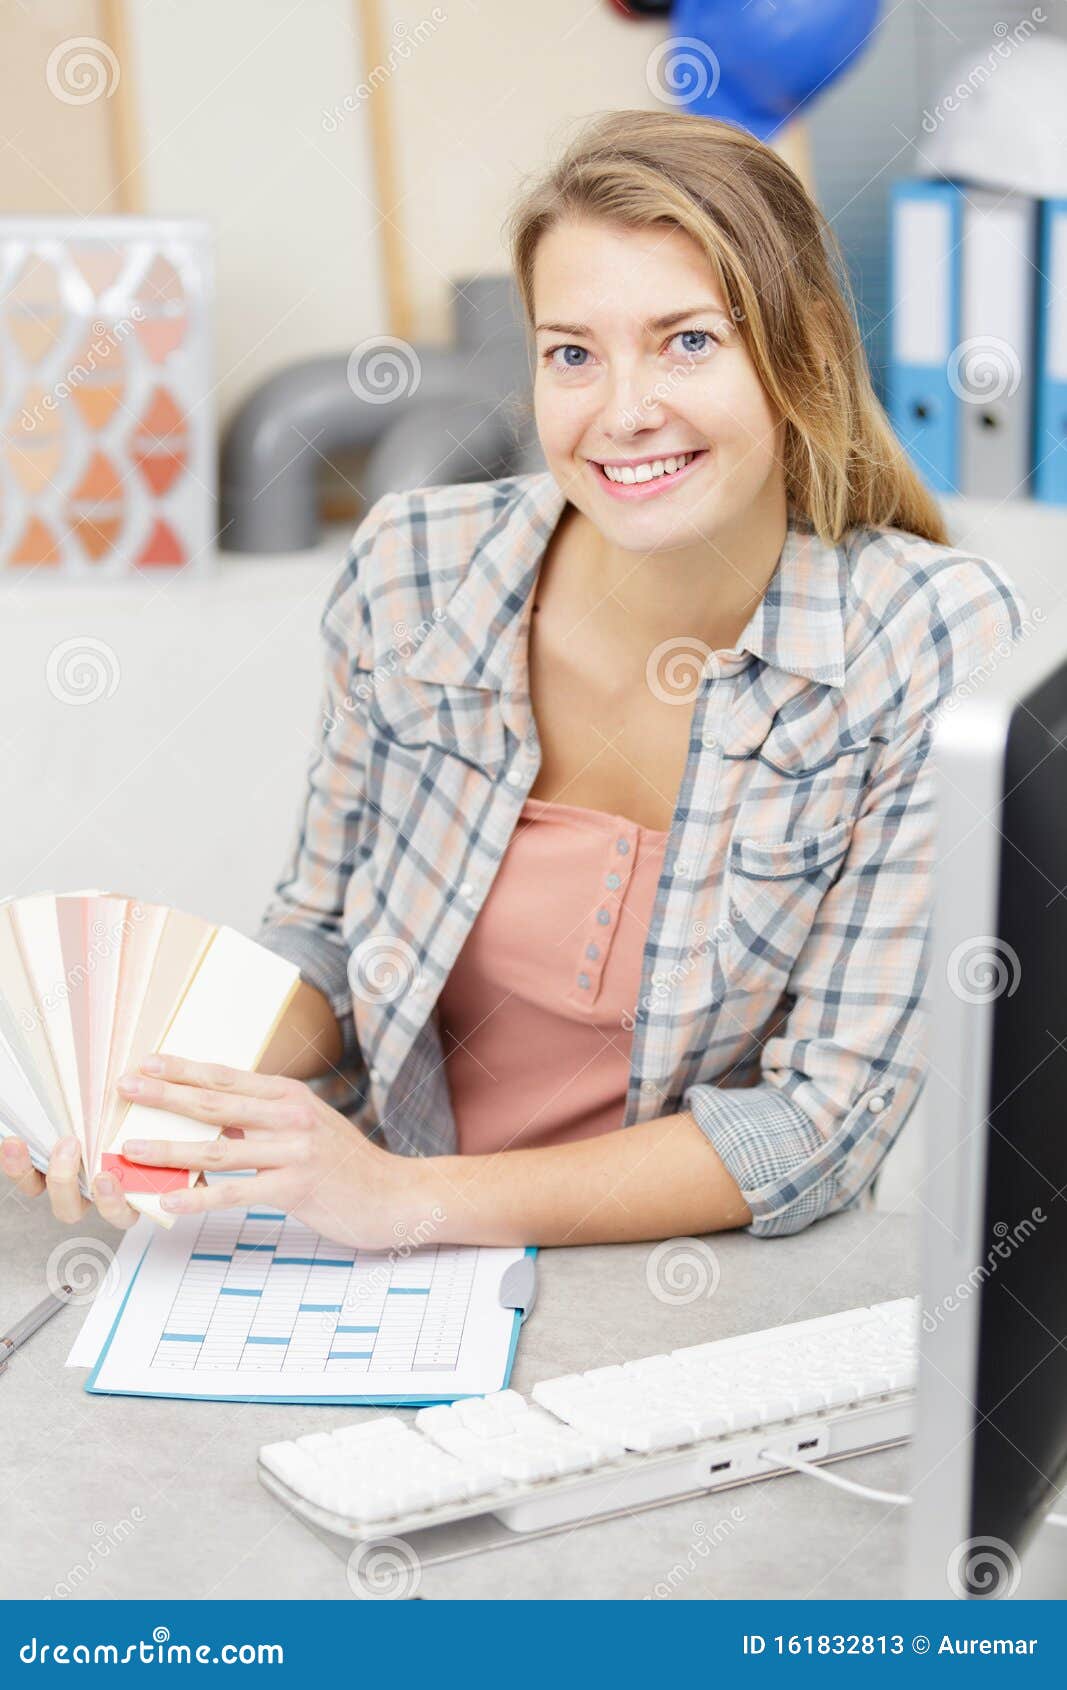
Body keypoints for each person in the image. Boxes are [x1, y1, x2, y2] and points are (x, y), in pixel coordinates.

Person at [3, 109, 1024, 1248]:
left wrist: (411, 1203)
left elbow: (819, 1120)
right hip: (374, 1256)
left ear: (801, 353)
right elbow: (328, 944)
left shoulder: (923, 637)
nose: (622, 409)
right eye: (571, 352)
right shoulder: (415, 568)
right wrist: (164, 1090)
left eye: (687, 340)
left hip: (676, 1280)